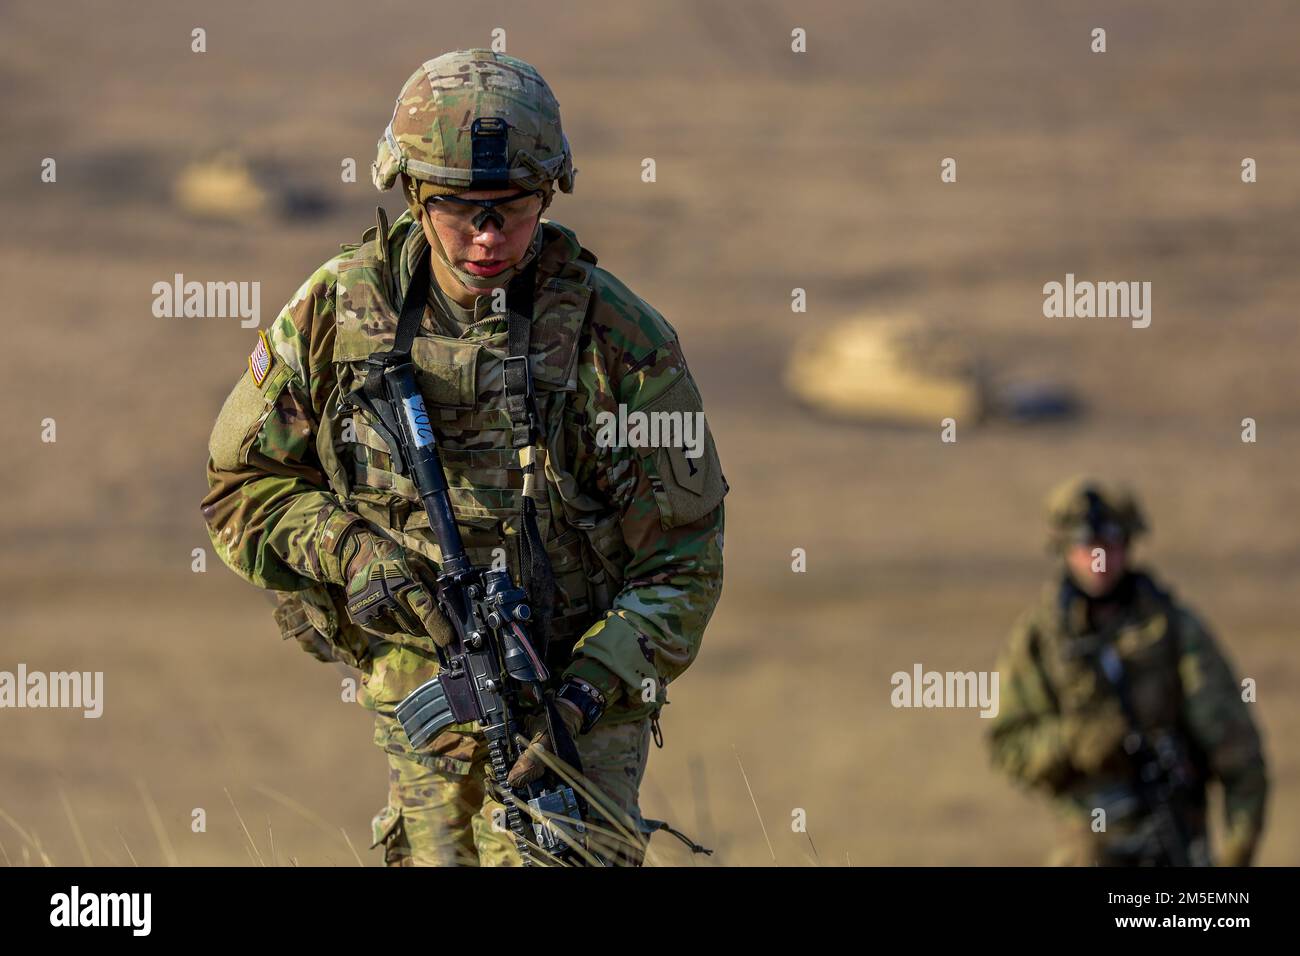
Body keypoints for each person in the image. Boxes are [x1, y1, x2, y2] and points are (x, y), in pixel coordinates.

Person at [201, 49, 727, 866]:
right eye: (459, 209)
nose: (487, 236)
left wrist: (587, 688)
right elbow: (241, 490)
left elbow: (687, 556)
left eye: (512, 208)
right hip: (423, 690)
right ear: (413, 194)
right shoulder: (339, 311)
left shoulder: (621, 342)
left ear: (548, 193)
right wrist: (353, 555)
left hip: (578, 708)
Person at [987, 477, 1267, 866]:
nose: (1099, 560)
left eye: (1110, 546)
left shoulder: (1174, 630)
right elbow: (1007, 745)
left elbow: (1240, 755)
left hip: (1175, 838)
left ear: (1128, 546)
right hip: (1088, 845)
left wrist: (1235, 855)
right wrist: (1076, 742)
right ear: (1064, 550)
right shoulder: (1039, 640)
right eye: (1087, 547)